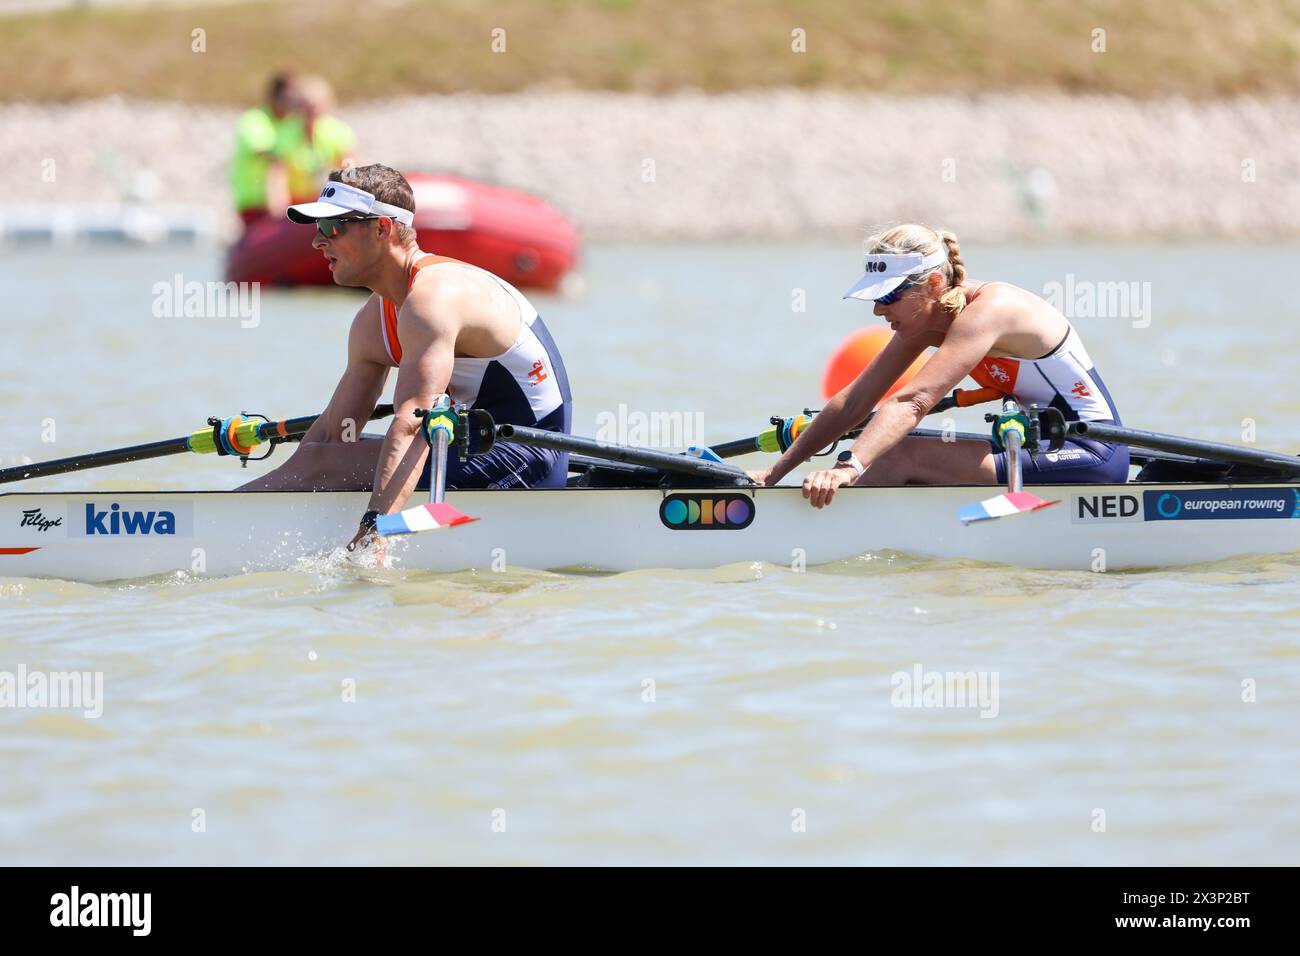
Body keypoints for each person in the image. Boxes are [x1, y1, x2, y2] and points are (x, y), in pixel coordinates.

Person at [237, 164, 573, 552]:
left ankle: (230, 532)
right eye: (318, 229)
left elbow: (413, 424)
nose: (318, 242)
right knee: (328, 453)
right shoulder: (373, 317)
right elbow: (333, 435)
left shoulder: (434, 298)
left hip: (528, 457)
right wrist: (255, 495)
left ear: (382, 229)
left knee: (329, 463)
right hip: (464, 446)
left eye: (333, 228)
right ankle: (231, 519)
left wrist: (375, 528)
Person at [748, 224, 1128, 507]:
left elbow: (912, 402)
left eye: (888, 296)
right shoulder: (928, 318)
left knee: (896, 454)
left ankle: (823, 535)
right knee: (883, 448)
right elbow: (853, 403)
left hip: (1093, 451)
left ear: (931, 284)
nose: (878, 309)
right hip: (1033, 445)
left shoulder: (990, 311)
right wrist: (773, 474)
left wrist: (849, 468)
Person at [230, 73, 298, 226]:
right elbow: (268, 154)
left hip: (290, 200)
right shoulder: (255, 120)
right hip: (255, 203)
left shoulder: (292, 123)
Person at [280, 75, 355, 205]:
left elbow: (352, 171)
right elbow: (278, 177)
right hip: (297, 201)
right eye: (304, 106)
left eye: (314, 107)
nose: (310, 112)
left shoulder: (338, 132)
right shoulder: (285, 134)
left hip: (330, 198)